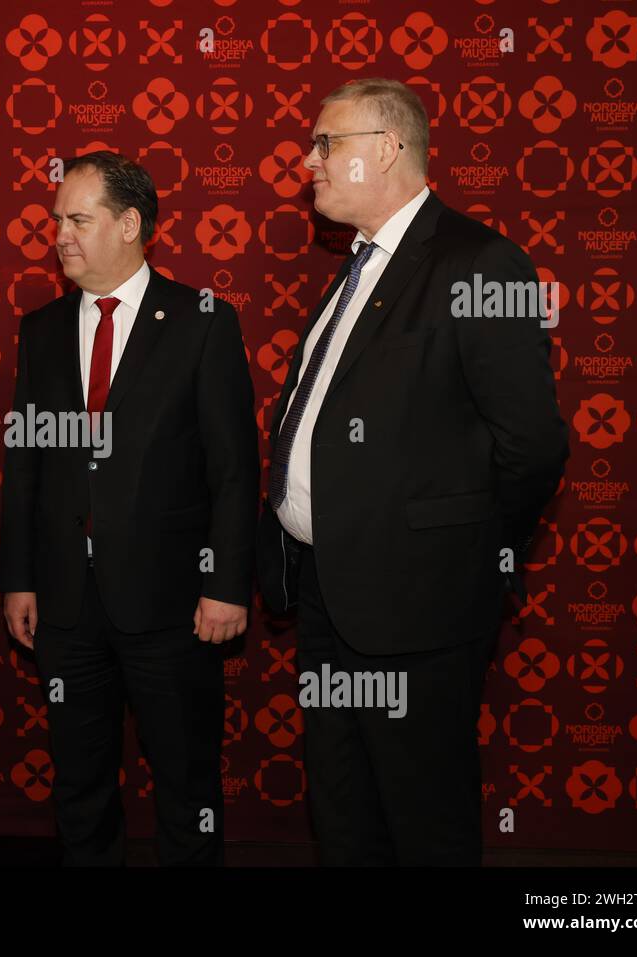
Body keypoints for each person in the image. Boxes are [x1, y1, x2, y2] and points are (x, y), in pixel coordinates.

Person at [255, 78, 570, 865]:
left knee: (423, 821)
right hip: (327, 598)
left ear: (388, 149)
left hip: (419, 609)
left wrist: (462, 554)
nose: (309, 160)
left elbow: (532, 446)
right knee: (344, 812)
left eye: (328, 144)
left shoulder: (481, 261)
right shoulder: (358, 268)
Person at [0, 151, 258, 866]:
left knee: (186, 784)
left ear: (131, 223)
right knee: (79, 785)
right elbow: (26, 465)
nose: (61, 236)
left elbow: (235, 470)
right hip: (65, 604)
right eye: (57, 221)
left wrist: (227, 583)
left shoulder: (204, 322)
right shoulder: (42, 328)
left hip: (176, 603)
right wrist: (18, 578)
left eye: (79, 220)